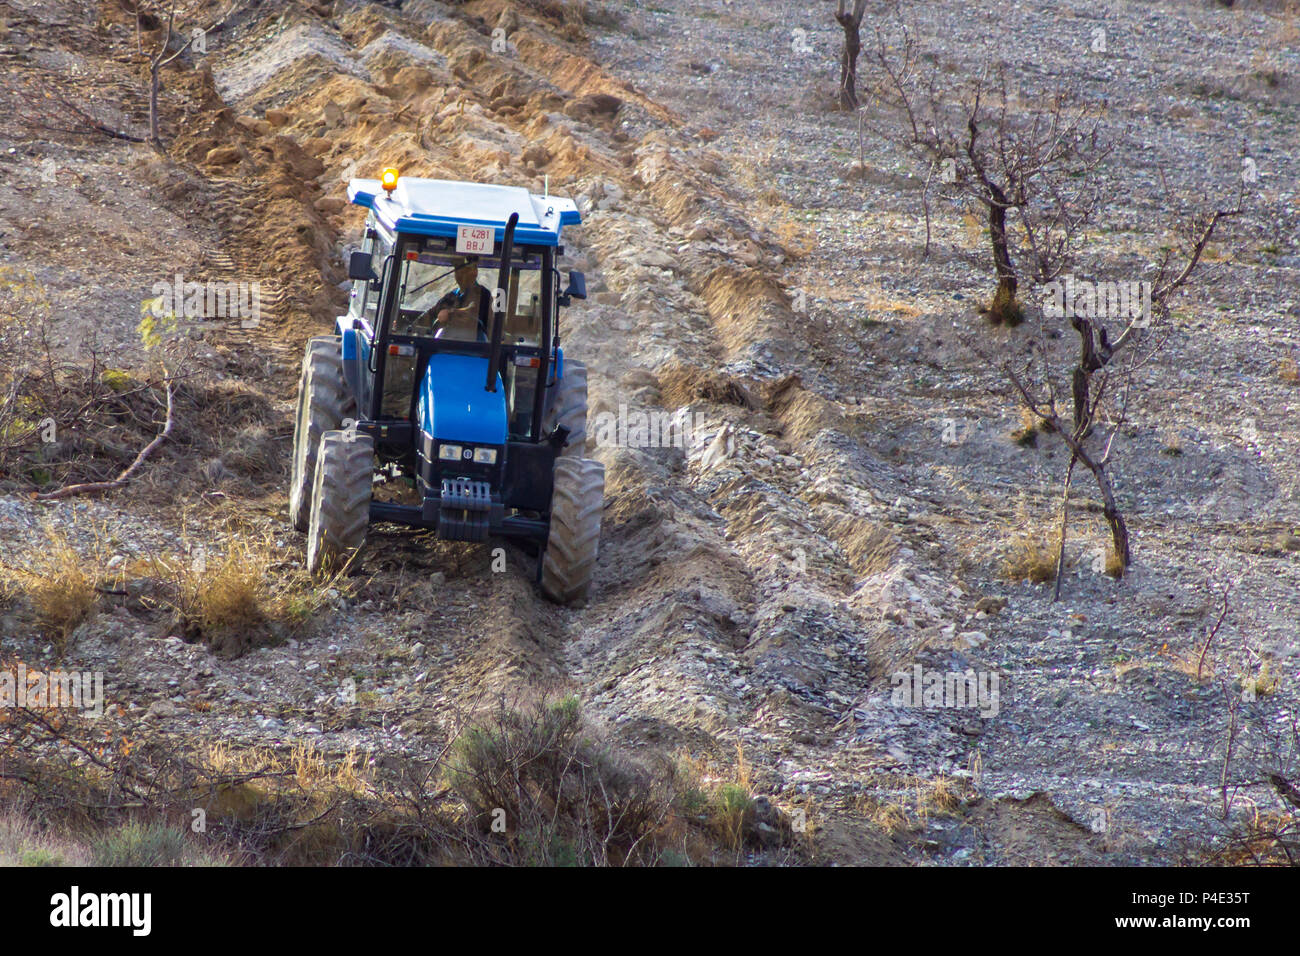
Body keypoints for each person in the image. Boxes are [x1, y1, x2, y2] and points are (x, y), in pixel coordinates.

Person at [421, 256, 492, 341]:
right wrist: (421, 319)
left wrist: (450, 313)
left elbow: (471, 309)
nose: (460, 275)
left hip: (475, 346)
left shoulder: (483, 294)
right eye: (457, 270)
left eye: (465, 271)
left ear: (475, 272)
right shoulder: (451, 296)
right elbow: (432, 313)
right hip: (446, 345)